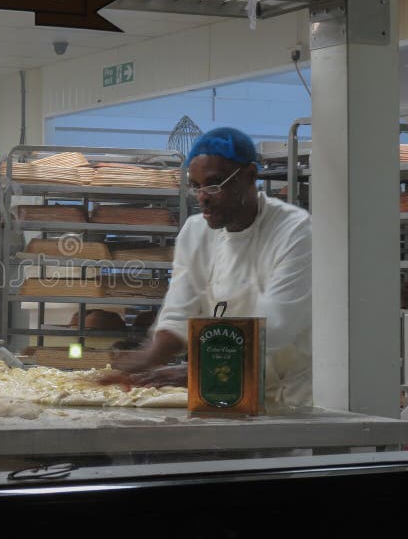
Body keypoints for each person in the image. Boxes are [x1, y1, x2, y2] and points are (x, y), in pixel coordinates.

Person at [102, 126, 313, 407]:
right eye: (196, 186)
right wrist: (147, 358)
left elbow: (274, 324)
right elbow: (180, 308)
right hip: (219, 387)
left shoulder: (295, 230)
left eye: (214, 184)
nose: (203, 196)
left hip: (286, 397)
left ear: (250, 176)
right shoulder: (195, 231)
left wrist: (200, 371)